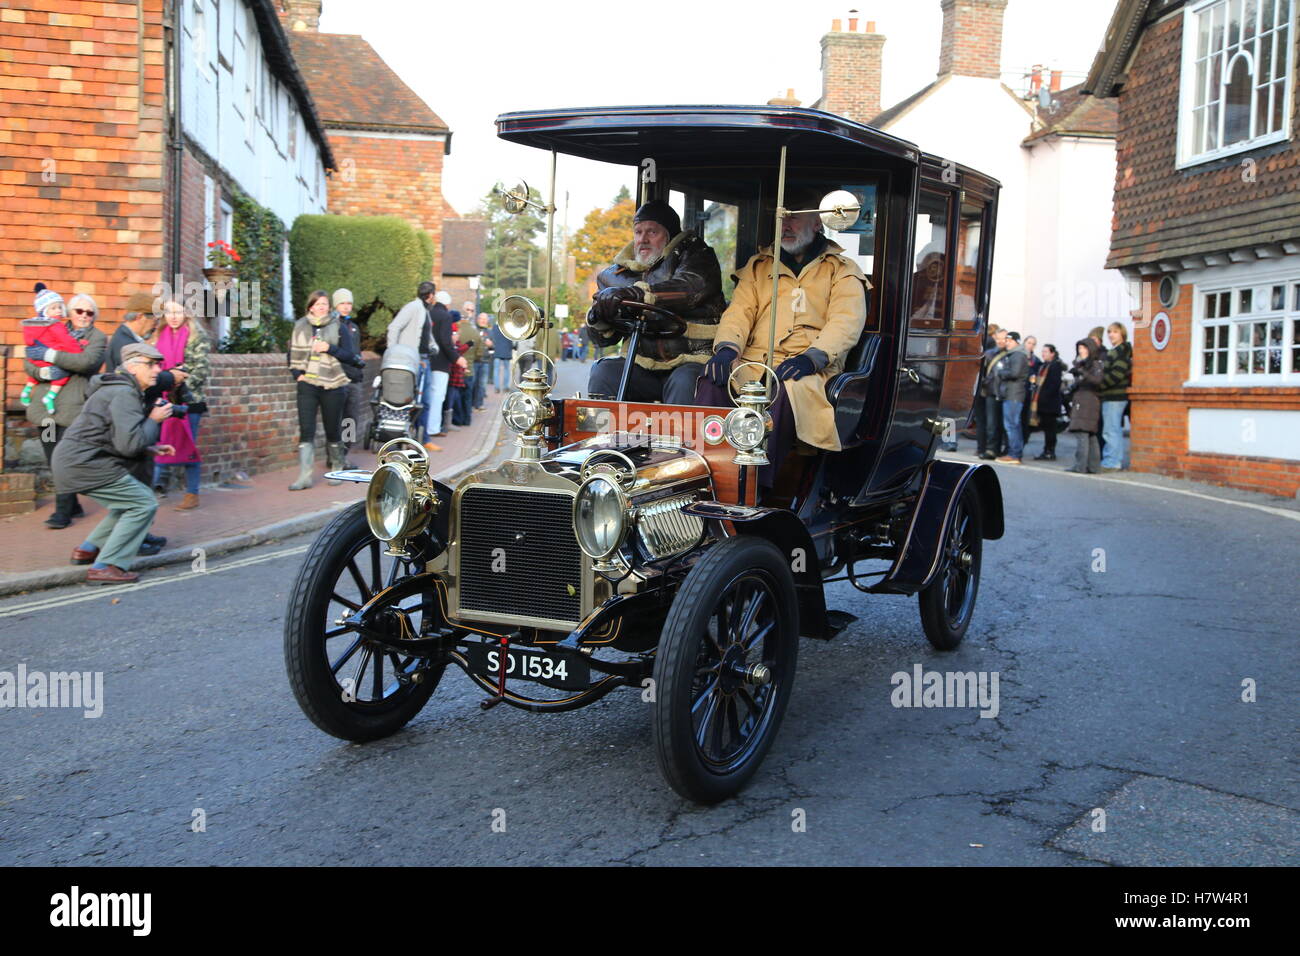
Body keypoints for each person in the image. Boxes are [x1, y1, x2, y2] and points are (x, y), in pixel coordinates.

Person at [697, 199, 868, 493]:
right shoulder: (759, 267)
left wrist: (813, 357)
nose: (786, 225)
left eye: (795, 218)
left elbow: (845, 322)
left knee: (785, 388)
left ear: (817, 223)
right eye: (782, 219)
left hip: (810, 369)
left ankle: (755, 486)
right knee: (712, 380)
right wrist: (727, 349)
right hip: (755, 363)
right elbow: (739, 312)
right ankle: (704, 475)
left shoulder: (841, 270)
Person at [52, 343, 174, 584]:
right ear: (132, 366)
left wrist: (149, 447)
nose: (157, 370)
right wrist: (153, 420)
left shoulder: (119, 389)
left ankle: (88, 549)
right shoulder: (124, 393)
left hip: (76, 460)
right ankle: (106, 565)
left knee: (126, 504)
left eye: (158, 364)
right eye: (150, 364)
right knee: (143, 502)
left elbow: (120, 440)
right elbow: (129, 445)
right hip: (84, 462)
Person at [586, 200, 726, 404]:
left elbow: (692, 286)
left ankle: (680, 436)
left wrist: (640, 295)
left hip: (692, 359)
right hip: (643, 363)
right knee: (604, 371)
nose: (643, 239)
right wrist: (599, 315)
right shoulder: (615, 276)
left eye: (652, 232)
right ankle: (605, 433)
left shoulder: (697, 255)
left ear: (670, 236)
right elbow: (602, 340)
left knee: (684, 380)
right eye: (638, 232)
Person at [23, 291, 109, 530]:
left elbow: (86, 362)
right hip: (46, 412)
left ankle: (62, 513)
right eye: (79, 311)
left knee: (64, 458)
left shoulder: (97, 337)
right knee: (52, 456)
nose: (84, 316)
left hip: (74, 410)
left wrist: (50, 355)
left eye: (89, 312)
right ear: (69, 312)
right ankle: (72, 504)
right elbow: (29, 358)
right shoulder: (50, 328)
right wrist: (45, 372)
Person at [287, 289, 364, 490]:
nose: (322, 307)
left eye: (324, 304)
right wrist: (298, 375)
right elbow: (292, 353)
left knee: (336, 427)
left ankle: (338, 466)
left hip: (334, 383)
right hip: (308, 383)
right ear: (311, 306)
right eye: (318, 304)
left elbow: (350, 355)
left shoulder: (340, 326)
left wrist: (328, 348)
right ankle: (304, 476)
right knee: (307, 430)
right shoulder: (300, 326)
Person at [149, 299, 211, 510]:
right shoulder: (157, 336)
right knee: (157, 442)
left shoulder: (196, 336)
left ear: (186, 312)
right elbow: (152, 366)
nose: (173, 316)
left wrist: (176, 382)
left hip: (189, 400)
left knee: (188, 446)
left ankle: (192, 493)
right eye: (169, 312)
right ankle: (155, 488)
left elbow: (200, 370)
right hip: (162, 399)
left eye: (178, 311)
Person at [21, 284, 84, 415]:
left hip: (36, 358)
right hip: (51, 361)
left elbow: (29, 342)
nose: (58, 311)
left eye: (60, 307)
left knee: (35, 373)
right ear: (44, 311)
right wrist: (77, 350)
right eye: (54, 308)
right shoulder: (55, 325)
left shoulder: (32, 325)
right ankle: (50, 397)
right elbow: (66, 341)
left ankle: (26, 390)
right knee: (62, 374)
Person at [332, 288, 366, 467]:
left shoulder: (353, 327)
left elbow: (356, 352)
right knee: (335, 419)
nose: (346, 307)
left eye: (349, 303)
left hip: (354, 379)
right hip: (337, 378)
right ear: (335, 305)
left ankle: (344, 453)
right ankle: (334, 456)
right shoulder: (330, 325)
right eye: (342, 303)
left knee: (350, 419)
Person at [427, 290, 462, 436]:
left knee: (426, 395)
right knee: (438, 396)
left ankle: (423, 427)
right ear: (447, 304)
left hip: (426, 359)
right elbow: (445, 341)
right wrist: (457, 358)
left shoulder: (428, 313)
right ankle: (433, 428)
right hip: (441, 362)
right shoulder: (446, 316)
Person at [1066, 339, 1104, 474]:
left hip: (1088, 401)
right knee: (1090, 435)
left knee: (1083, 432)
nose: (1081, 351)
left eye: (1084, 348)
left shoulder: (1095, 364)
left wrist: (1082, 373)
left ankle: (1080, 465)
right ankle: (1094, 466)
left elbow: (1097, 381)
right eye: (1080, 348)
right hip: (1082, 399)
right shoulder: (1082, 364)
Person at [991, 330, 1029, 464]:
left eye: (1009, 341)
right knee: (1013, 425)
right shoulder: (1015, 354)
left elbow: (1015, 373)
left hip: (1014, 395)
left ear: (1016, 342)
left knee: (1011, 425)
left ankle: (1014, 454)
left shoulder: (1017, 355)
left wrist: (1001, 371)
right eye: (1006, 340)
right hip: (1012, 394)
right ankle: (1014, 453)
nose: (1006, 343)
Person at [1098, 322, 1132, 472]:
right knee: (1111, 429)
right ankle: (1111, 460)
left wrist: (1099, 383)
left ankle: (1112, 462)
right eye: (1110, 332)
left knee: (1111, 430)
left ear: (1122, 334)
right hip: (1110, 396)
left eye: (1115, 332)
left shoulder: (1122, 352)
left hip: (1115, 397)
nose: (1111, 335)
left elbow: (1116, 375)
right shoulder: (1115, 351)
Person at [977, 328, 1009, 459]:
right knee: (990, 423)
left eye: (1004, 338)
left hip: (1006, 393)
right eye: (999, 338)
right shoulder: (989, 354)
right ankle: (989, 449)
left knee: (1003, 424)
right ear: (995, 338)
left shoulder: (1011, 354)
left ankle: (998, 449)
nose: (1001, 341)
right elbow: (981, 373)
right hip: (990, 392)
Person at [1030, 344, 1066, 460]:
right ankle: (1047, 450)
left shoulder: (1054, 366)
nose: (1043, 354)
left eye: (1046, 351)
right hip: (1043, 403)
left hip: (1050, 404)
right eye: (1043, 351)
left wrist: (1043, 397)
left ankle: (1049, 451)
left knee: (1050, 429)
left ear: (1052, 353)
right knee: (1047, 429)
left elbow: (1054, 385)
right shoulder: (1043, 366)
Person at [467, 312, 492, 410]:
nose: (483, 320)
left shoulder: (489, 332)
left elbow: (494, 347)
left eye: (485, 319)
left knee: (482, 384)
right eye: (481, 318)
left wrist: (491, 345)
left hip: (485, 361)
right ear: (478, 319)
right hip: (474, 360)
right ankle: (470, 405)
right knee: (472, 383)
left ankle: (479, 404)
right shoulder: (474, 330)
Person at [489, 313, 514, 394]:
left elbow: (491, 338)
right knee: (507, 370)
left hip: (497, 350)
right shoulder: (509, 328)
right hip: (507, 351)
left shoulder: (495, 327)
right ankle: (506, 387)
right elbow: (512, 340)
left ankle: (497, 387)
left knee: (496, 370)